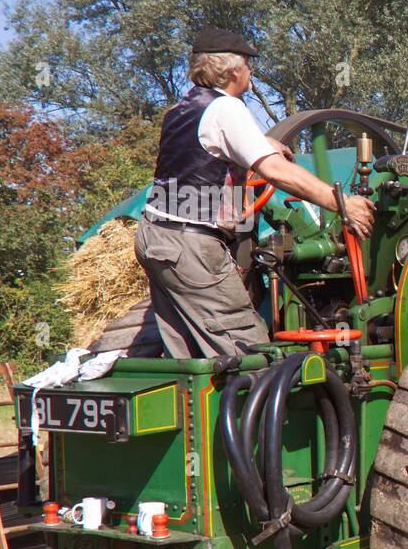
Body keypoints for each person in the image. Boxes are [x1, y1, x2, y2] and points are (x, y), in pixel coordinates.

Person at [135, 27, 375, 359]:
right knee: (252, 356)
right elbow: (275, 171)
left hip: (154, 238)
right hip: (190, 246)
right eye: (249, 65)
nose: (251, 73)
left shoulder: (183, 108)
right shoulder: (227, 109)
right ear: (232, 69)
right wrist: (342, 203)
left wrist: (263, 144)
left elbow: (206, 151)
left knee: (190, 361)